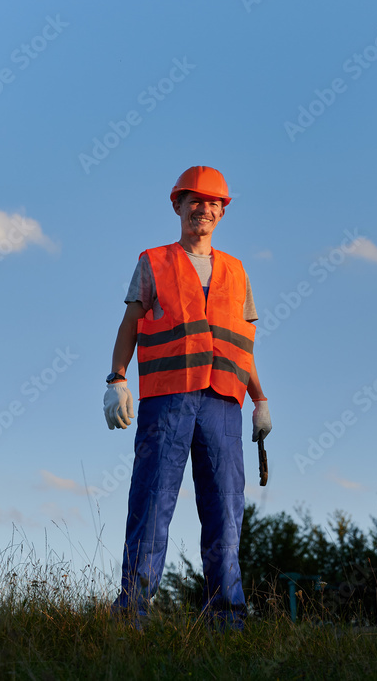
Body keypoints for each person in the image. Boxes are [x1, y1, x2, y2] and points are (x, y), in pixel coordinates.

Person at [103, 165, 271, 628]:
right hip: (167, 400)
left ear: (222, 211)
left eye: (212, 202)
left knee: (226, 510)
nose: (204, 208)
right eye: (194, 200)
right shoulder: (154, 261)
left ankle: (227, 618)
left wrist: (260, 400)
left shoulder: (237, 272)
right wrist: (117, 378)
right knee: (152, 502)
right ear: (177, 205)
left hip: (223, 402)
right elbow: (131, 323)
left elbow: (241, 343)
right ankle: (131, 617)